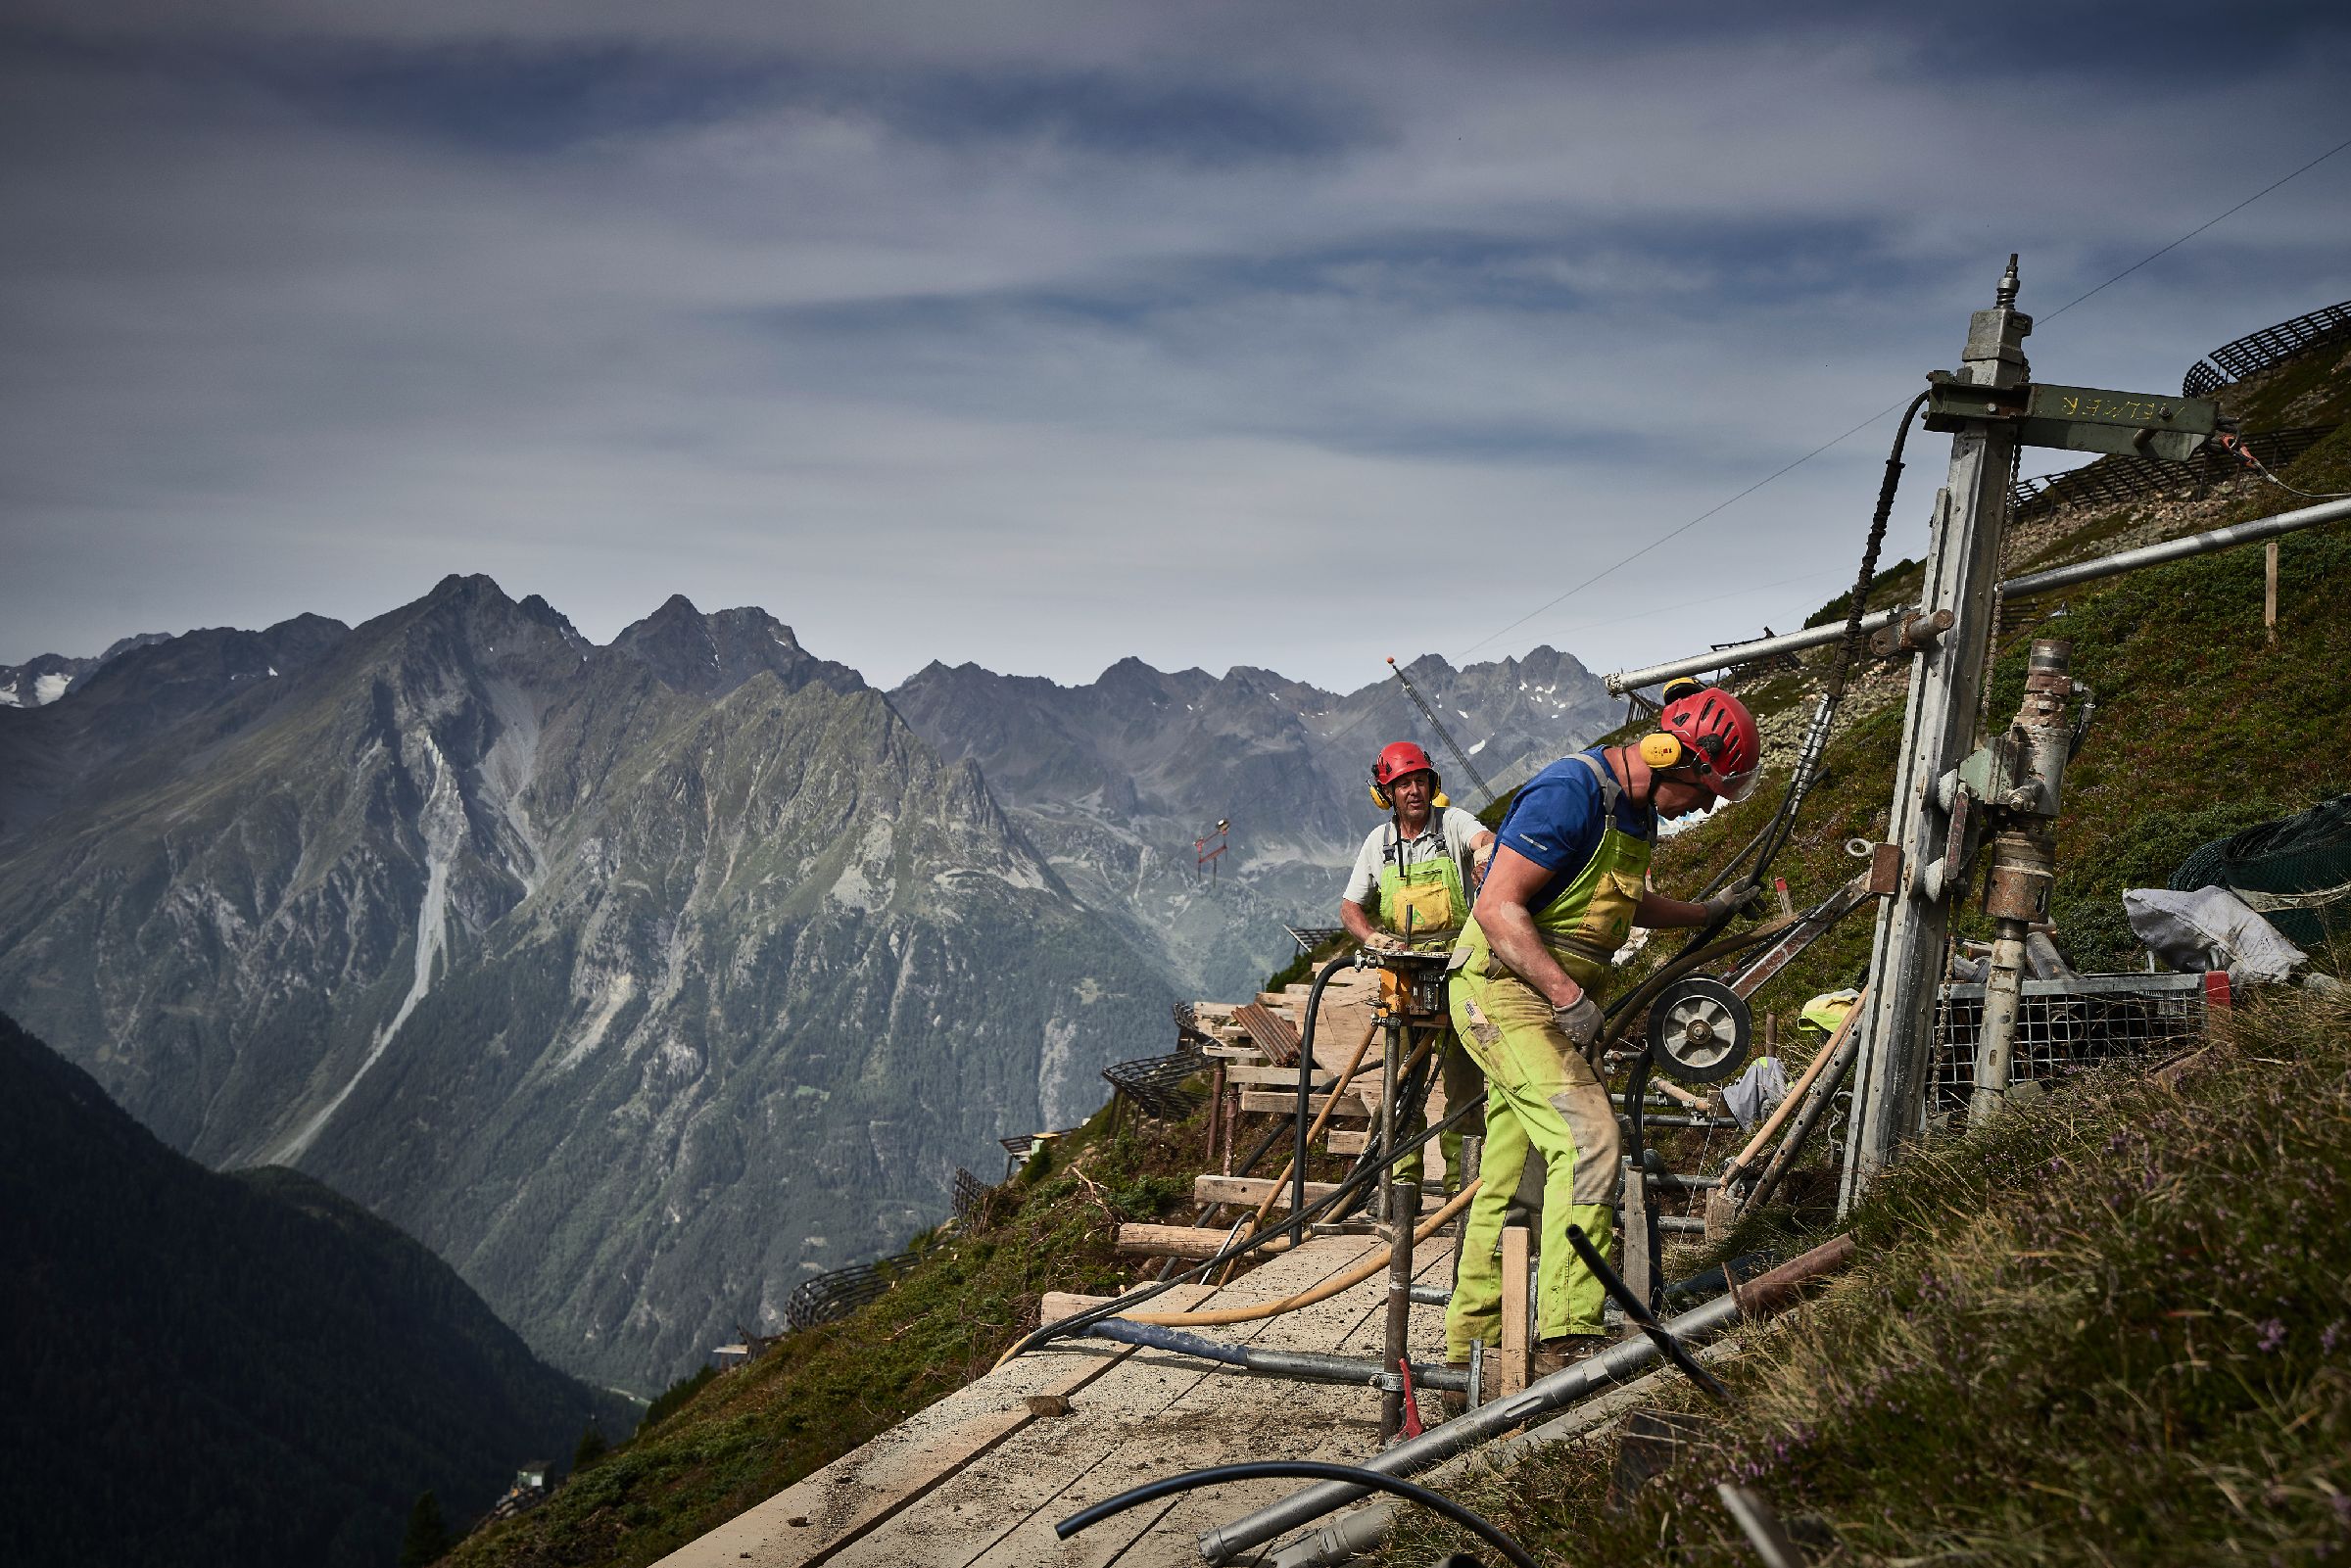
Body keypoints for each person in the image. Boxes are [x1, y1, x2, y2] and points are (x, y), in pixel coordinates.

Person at [1444, 681, 1766, 1381]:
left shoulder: (1636, 811)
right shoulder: (1571, 791)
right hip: (1501, 994)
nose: (1707, 805)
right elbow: (1499, 908)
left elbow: (1621, 899)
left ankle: (1465, 1353)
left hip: (1540, 1003)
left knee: (1511, 1177)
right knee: (1590, 1138)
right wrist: (1567, 996)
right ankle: (1565, 1334)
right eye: (1706, 788)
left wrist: (1706, 911)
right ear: (1670, 752)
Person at [1338, 741, 1495, 1193]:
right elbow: (1350, 907)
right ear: (1385, 793)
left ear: (1433, 784)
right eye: (1403, 783)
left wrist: (1485, 853)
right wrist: (1372, 938)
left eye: (1420, 780)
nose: (1414, 790)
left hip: (1458, 970)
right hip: (1402, 978)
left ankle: (1459, 1186)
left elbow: (1482, 838)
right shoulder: (1378, 844)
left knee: (1464, 1087)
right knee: (1402, 1082)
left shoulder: (1453, 825)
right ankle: (1399, 1182)